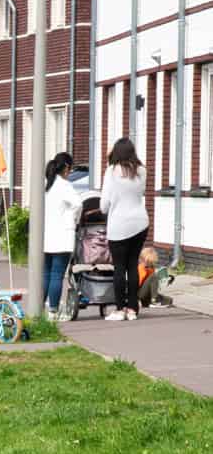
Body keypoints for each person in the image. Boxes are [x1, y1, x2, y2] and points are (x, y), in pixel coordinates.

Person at [99, 135, 150, 321]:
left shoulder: (111, 171)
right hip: (140, 222)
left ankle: (120, 310)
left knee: (119, 268)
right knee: (132, 265)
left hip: (119, 225)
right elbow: (140, 192)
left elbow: (104, 204)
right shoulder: (142, 171)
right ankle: (132, 309)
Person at [42, 152, 80, 315]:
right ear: (66, 168)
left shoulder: (46, 185)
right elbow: (78, 204)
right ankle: (53, 310)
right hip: (62, 236)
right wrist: (73, 219)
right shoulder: (65, 186)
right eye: (70, 169)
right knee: (57, 274)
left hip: (45, 235)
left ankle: (40, 307)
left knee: (46, 273)